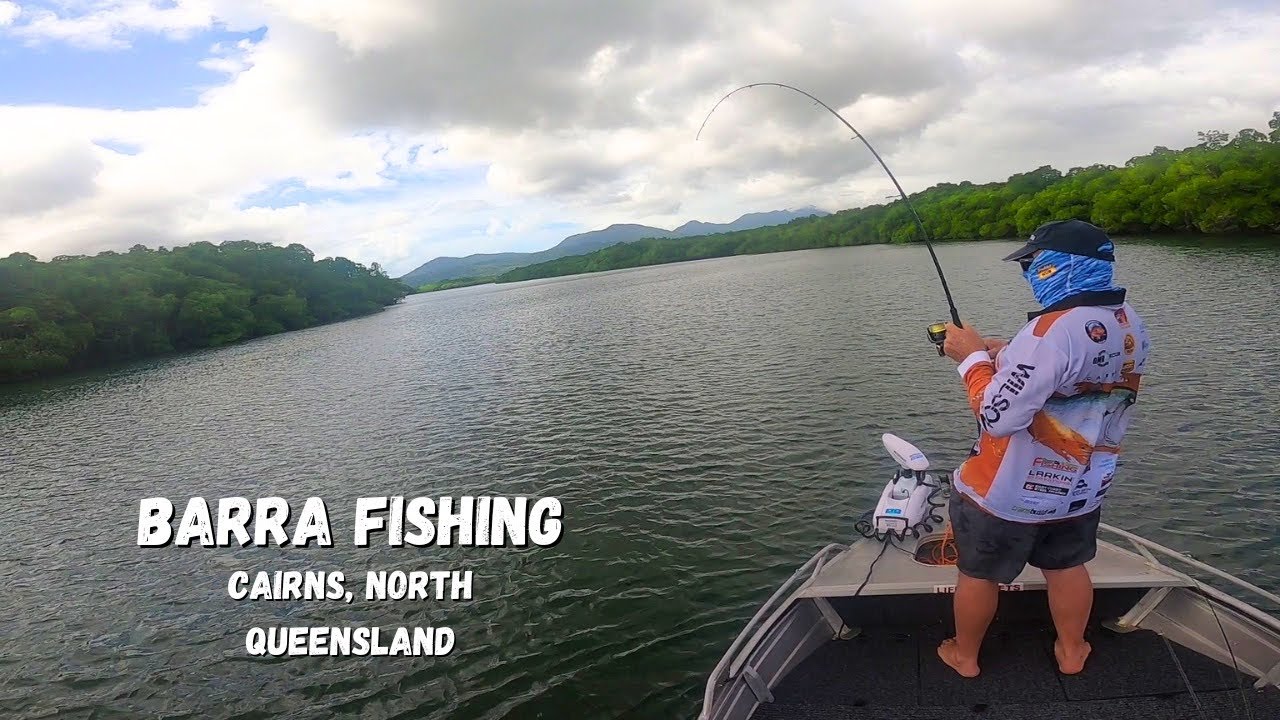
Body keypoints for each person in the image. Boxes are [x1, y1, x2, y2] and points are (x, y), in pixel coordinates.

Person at [935, 219, 1151, 678]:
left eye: (1032, 263)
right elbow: (1075, 372)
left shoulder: (1049, 331)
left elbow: (997, 416)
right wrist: (1008, 352)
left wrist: (971, 358)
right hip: (1081, 487)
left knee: (978, 573)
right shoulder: (1128, 320)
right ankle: (1072, 650)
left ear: (1059, 265)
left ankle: (965, 656)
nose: (1028, 273)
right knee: (1067, 566)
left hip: (1007, 491)